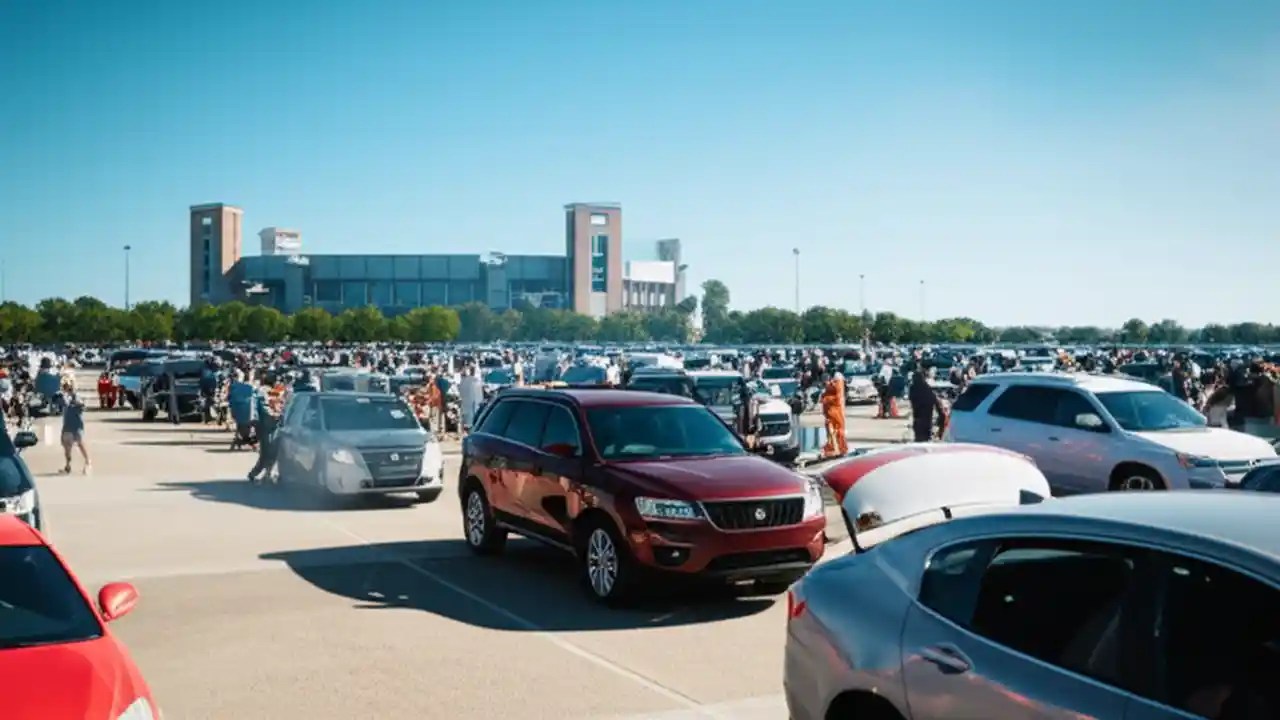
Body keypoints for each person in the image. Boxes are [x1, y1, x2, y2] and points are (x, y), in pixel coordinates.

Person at [246, 392, 279, 484]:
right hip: (266, 428)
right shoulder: (261, 394)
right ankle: (254, 473)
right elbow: (266, 412)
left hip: (273, 427)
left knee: (273, 452)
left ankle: (267, 474)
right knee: (266, 453)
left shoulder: (282, 392)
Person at [909, 366, 948, 442]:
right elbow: (935, 402)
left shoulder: (913, 388)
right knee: (925, 438)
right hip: (927, 418)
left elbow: (912, 400)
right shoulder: (927, 389)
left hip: (918, 417)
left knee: (919, 438)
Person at [60, 393, 90, 474]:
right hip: (67, 425)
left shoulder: (77, 396)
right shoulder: (63, 396)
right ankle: (67, 466)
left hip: (76, 425)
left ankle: (88, 462)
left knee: (80, 443)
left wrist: (77, 403)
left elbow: (83, 407)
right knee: (67, 446)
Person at [821, 372, 847, 458]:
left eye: (826, 382)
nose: (825, 384)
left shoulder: (836, 385)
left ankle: (842, 448)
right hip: (829, 413)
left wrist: (826, 399)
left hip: (835, 412)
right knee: (830, 431)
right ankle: (831, 448)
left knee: (839, 430)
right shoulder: (829, 387)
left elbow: (838, 399)